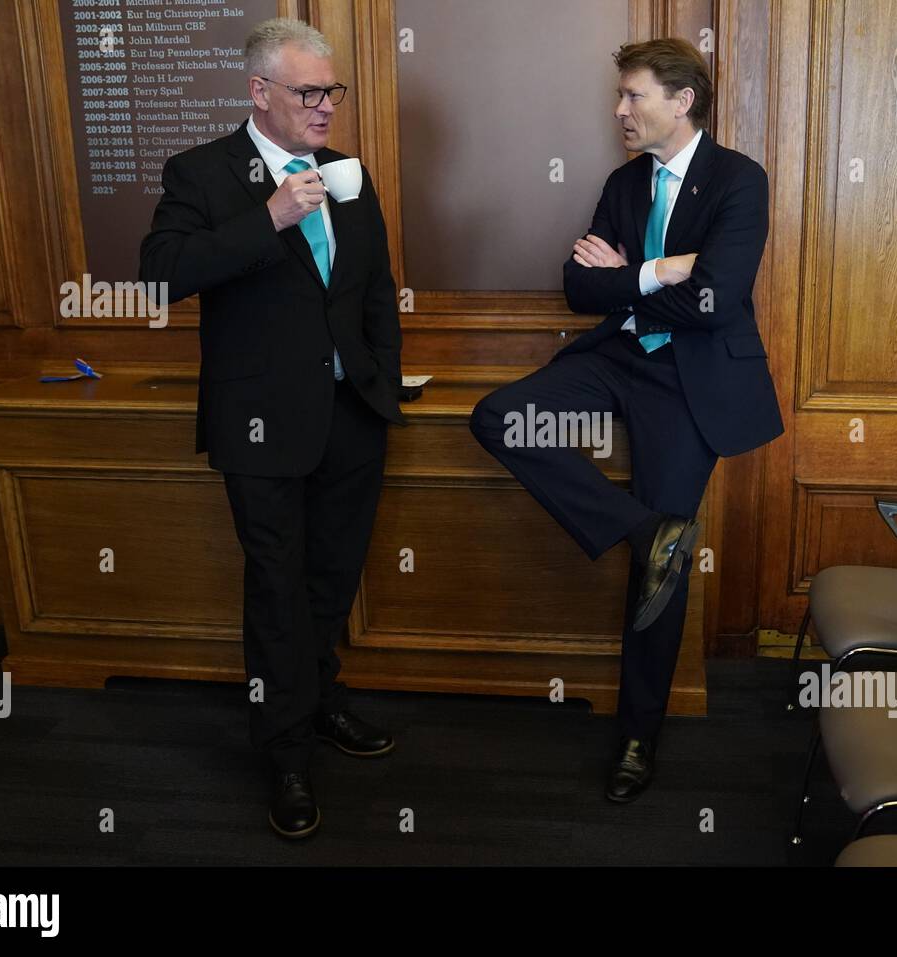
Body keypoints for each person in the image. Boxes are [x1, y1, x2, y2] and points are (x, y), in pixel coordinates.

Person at [470, 38, 783, 803]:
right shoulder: (623, 183)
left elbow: (716, 297)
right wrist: (659, 273)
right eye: (621, 97)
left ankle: (639, 734)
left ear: (681, 101)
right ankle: (647, 532)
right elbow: (580, 288)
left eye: (634, 96)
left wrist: (633, 276)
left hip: (690, 379)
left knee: (658, 581)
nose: (619, 110)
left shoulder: (739, 181)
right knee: (501, 417)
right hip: (616, 359)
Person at [139, 18, 403, 839]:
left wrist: (382, 387)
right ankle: (284, 750)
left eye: (334, 91)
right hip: (260, 426)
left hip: (352, 417)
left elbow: (374, 293)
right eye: (309, 93)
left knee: (330, 580)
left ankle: (320, 700)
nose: (328, 108)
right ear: (261, 93)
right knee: (278, 589)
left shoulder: (348, 174)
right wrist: (272, 217)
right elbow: (162, 274)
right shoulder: (203, 173)